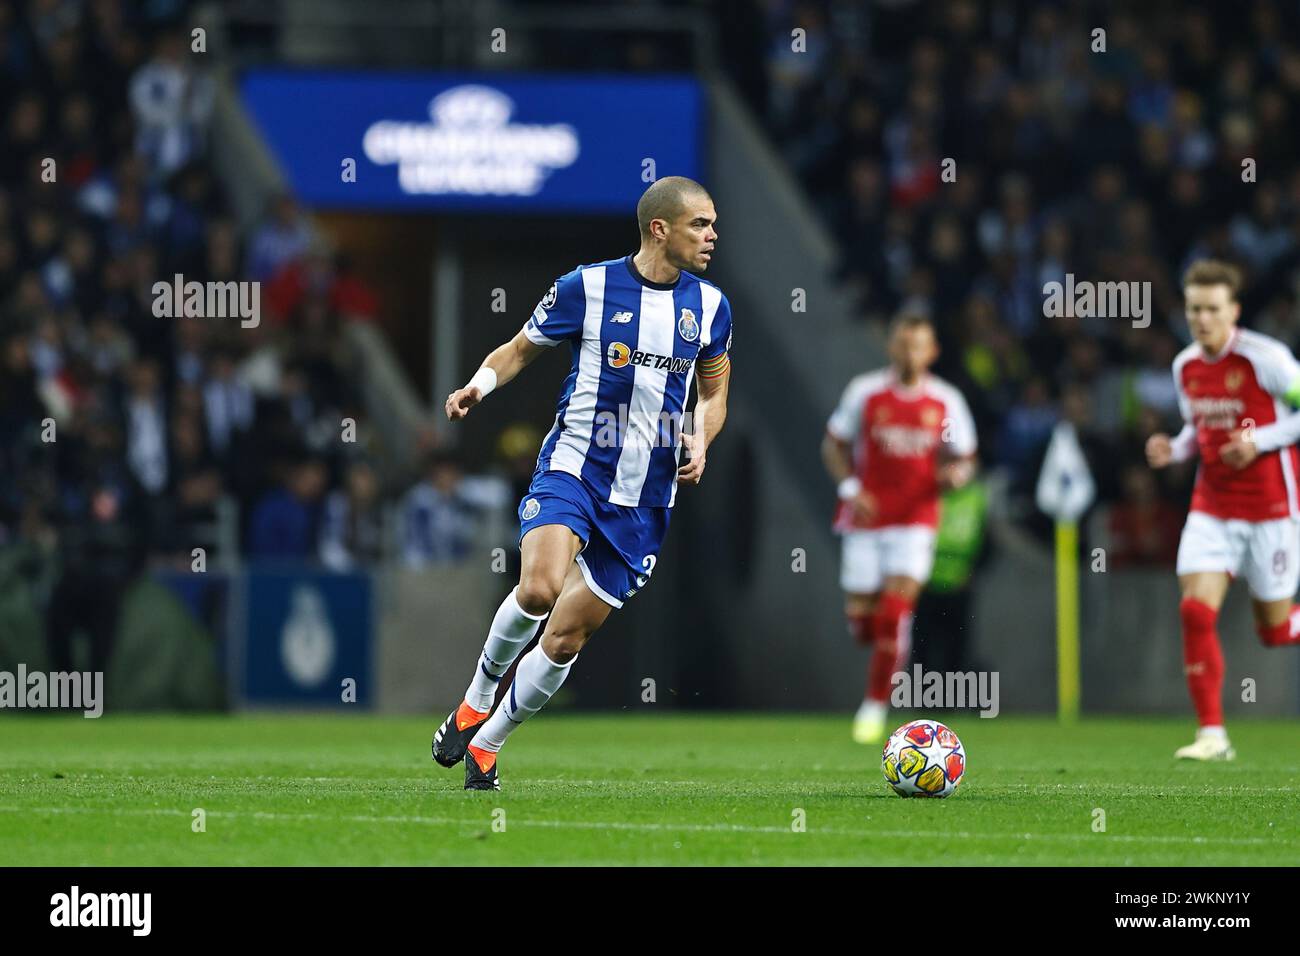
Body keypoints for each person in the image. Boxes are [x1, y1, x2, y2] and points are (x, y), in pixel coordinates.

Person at [434, 176, 731, 790]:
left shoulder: (710, 307)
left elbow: (714, 388)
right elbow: (519, 349)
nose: (712, 236)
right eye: (700, 224)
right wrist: (476, 388)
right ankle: (475, 698)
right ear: (660, 229)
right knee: (539, 590)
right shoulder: (587, 287)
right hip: (575, 466)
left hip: (645, 498)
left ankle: (487, 744)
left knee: (566, 637)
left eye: (713, 225)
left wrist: (703, 436)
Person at [1146, 259, 1300, 761]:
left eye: (1212, 309)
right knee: (1194, 609)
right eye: (1194, 309)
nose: (1202, 319)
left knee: (1275, 632)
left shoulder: (1266, 358)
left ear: (1233, 310)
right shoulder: (1185, 365)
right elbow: (1199, 431)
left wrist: (1260, 441)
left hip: (1271, 508)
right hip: (1211, 506)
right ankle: (1213, 734)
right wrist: (1175, 447)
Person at [822, 315, 978, 744]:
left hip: (916, 522)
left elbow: (963, 455)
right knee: (862, 625)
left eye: (919, 345)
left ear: (932, 352)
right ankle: (887, 634)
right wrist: (851, 488)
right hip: (866, 519)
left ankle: (873, 706)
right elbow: (832, 444)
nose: (911, 352)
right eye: (904, 344)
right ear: (892, 347)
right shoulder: (866, 392)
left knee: (893, 612)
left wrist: (958, 475)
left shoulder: (946, 401)